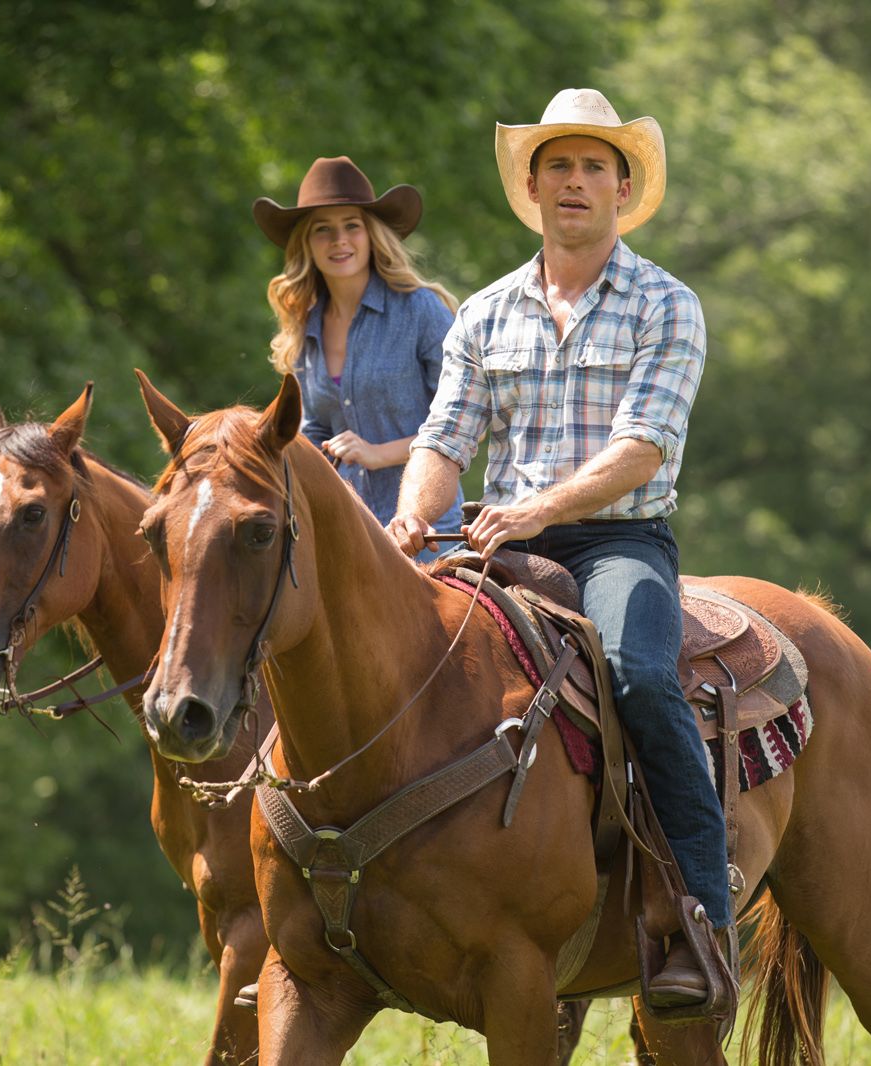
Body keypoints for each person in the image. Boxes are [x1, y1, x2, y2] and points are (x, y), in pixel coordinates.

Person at [386, 89, 735, 1014]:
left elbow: (642, 449)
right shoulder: (485, 315)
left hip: (615, 539)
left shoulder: (668, 304)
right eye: (557, 167)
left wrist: (535, 510)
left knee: (641, 676)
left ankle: (702, 917)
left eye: (592, 167)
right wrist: (415, 518)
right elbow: (442, 440)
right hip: (496, 540)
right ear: (532, 188)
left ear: (623, 188)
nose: (574, 183)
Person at [255, 156, 463, 553]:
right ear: (307, 243)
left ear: (371, 235)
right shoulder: (305, 324)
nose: (339, 240)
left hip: (425, 535)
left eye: (352, 225)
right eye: (323, 230)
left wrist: (376, 453)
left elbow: (465, 424)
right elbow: (313, 428)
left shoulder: (420, 310)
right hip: (342, 534)